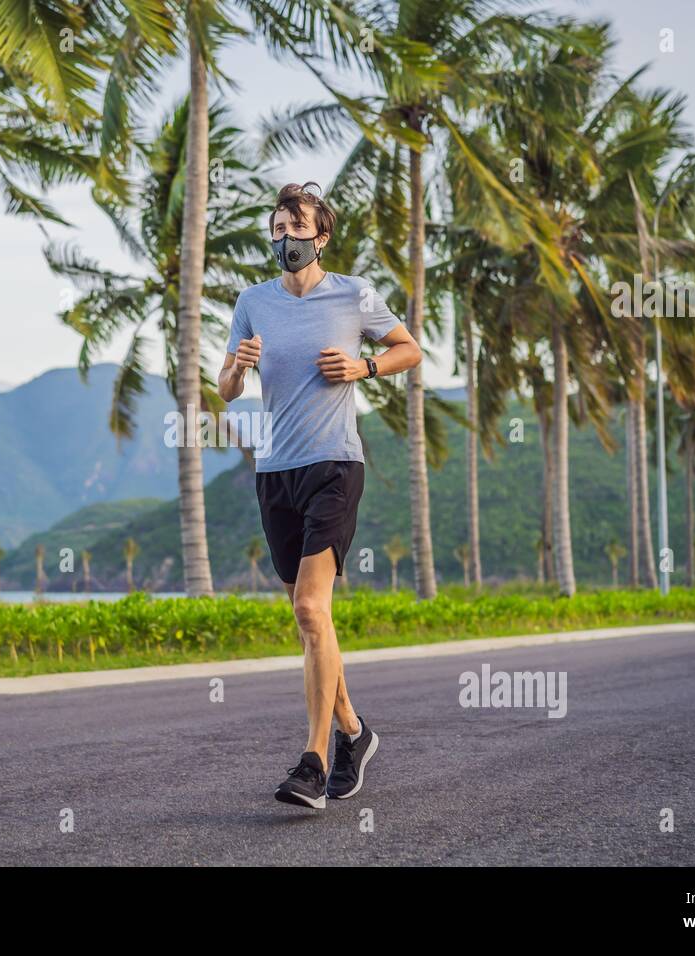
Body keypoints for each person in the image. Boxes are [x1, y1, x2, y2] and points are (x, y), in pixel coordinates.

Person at [217, 182, 421, 809]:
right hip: (276, 473)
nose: (285, 238)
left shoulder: (352, 293)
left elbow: (409, 349)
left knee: (310, 609)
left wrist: (362, 368)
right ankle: (356, 733)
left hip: (335, 464)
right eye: (276, 228)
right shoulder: (253, 301)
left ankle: (314, 760)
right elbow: (224, 388)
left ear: (321, 235)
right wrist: (237, 367)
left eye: (295, 226)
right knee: (313, 623)